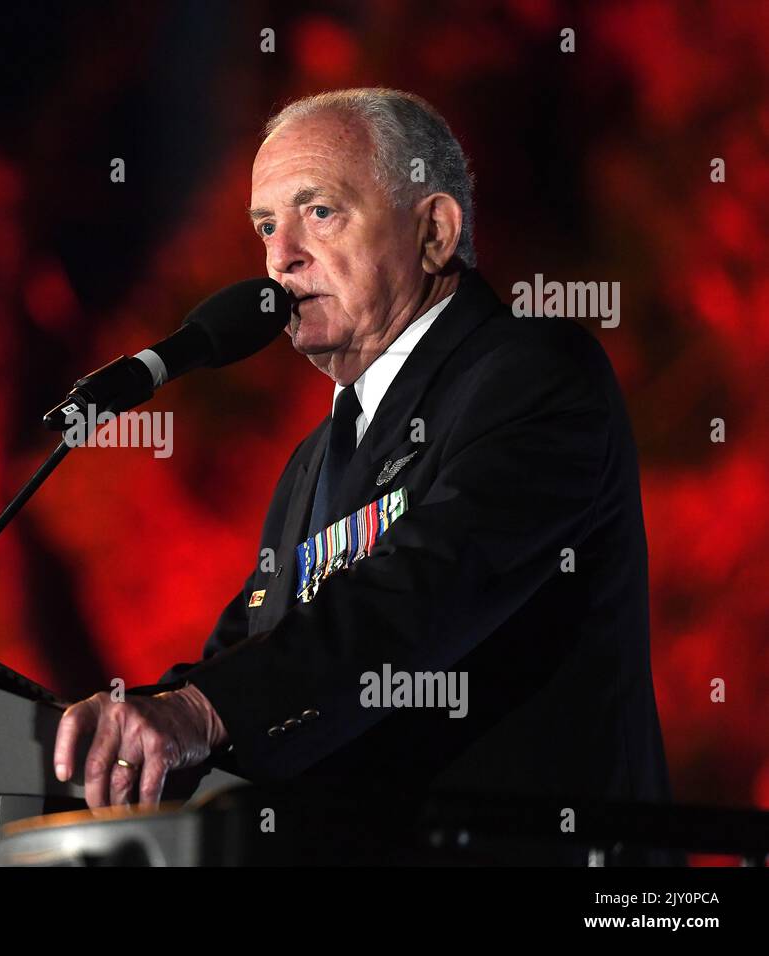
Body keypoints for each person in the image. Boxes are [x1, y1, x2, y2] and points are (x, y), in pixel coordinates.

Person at [53, 89, 672, 825]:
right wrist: (131, 723)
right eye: (265, 227)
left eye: (319, 212)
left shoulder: (533, 376)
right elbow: (255, 651)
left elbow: (422, 591)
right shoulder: (312, 461)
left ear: (434, 232)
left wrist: (201, 710)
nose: (280, 257)